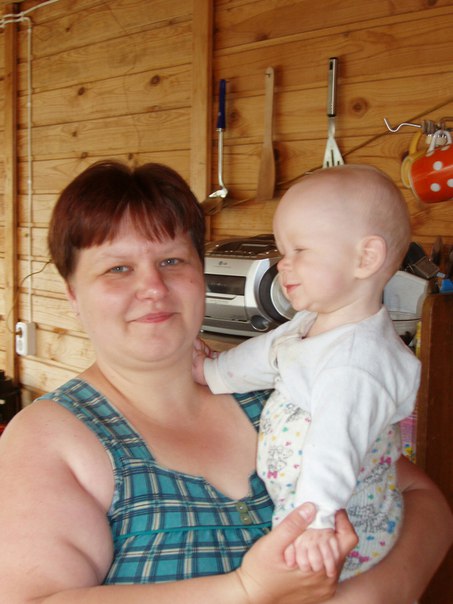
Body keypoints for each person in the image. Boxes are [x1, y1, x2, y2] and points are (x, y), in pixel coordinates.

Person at [0, 161, 451, 604]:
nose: (153, 287)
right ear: (74, 295)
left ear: (201, 275)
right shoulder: (49, 438)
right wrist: (244, 592)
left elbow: (421, 498)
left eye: (172, 260)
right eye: (117, 268)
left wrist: (370, 594)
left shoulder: (282, 386)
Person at [193, 165, 422, 580]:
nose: (283, 264)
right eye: (283, 251)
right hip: (305, 509)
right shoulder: (313, 324)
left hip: (340, 528)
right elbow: (269, 354)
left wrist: (317, 522)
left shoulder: (356, 363)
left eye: (300, 250)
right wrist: (213, 372)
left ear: (365, 258)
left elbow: (334, 445)